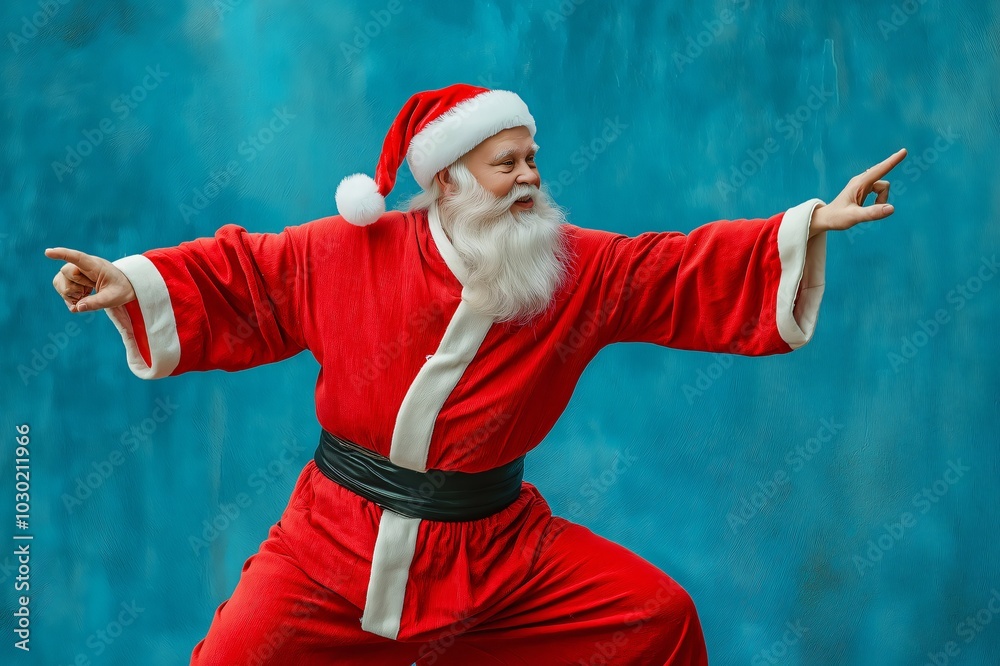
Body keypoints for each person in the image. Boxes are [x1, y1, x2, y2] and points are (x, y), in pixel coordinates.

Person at [45, 83, 906, 665]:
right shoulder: (345, 250)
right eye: (508, 164)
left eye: (534, 159)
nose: (530, 176)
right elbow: (243, 275)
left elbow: (676, 268)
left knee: (658, 620)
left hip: (499, 554)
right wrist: (134, 280)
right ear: (450, 179)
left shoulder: (576, 269)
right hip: (332, 542)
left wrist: (806, 225)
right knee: (236, 656)